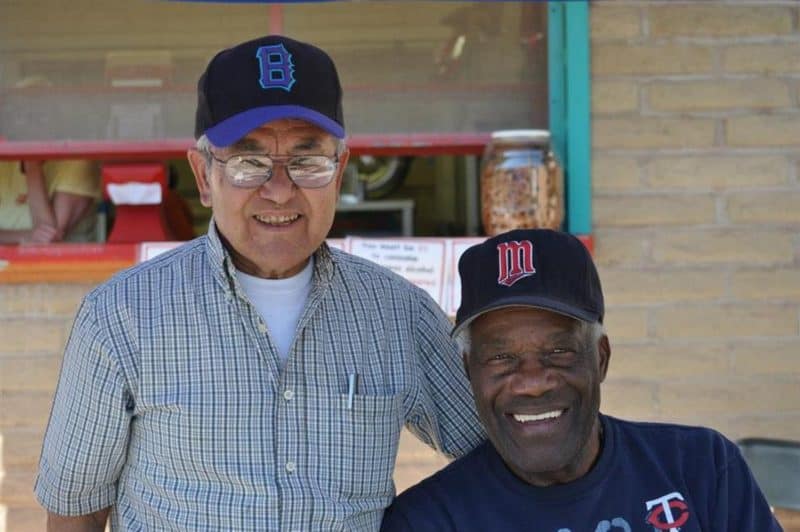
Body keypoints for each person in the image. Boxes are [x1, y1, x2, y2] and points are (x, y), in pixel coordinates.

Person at [34, 35, 483, 531]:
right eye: (249, 163)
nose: (279, 190)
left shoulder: (398, 314)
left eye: (307, 162)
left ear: (338, 175)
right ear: (204, 176)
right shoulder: (122, 316)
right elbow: (76, 509)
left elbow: (496, 451)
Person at [381, 229, 781, 532]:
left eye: (559, 351)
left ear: (601, 358)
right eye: (501, 357)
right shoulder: (429, 522)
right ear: (469, 372)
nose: (533, 382)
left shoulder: (700, 468)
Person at [0, 158, 100, 243]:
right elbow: (40, 238)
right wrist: (27, 236)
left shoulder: (77, 158)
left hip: (63, 262)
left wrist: (31, 164)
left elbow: (49, 238)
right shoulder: (5, 152)